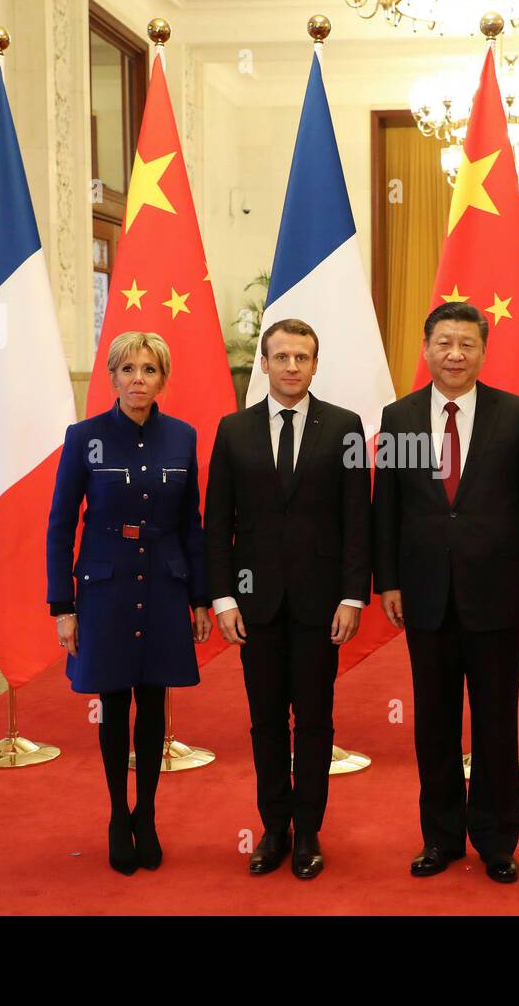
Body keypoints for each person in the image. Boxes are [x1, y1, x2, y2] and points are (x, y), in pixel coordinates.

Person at [373, 301, 519, 884]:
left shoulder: (516, 414)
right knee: (433, 723)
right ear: (426, 348)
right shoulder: (399, 418)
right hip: (424, 595)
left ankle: (498, 840)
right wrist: (389, 581)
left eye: (467, 344)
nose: (455, 354)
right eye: (445, 343)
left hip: (498, 593)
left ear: (483, 350)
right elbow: (388, 509)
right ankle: (441, 837)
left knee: (496, 721)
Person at [204, 318, 370, 880]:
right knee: (266, 719)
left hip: (323, 606)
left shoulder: (345, 428)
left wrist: (354, 596)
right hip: (255, 606)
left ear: (315, 364)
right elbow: (216, 524)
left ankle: (309, 830)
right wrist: (222, 598)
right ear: (266, 364)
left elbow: (357, 522)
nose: (292, 366)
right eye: (281, 357)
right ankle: (274, 827)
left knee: (316, 720)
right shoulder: (233, 430)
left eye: (302, 357)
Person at [46, 331, 211, 876]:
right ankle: (119, 814)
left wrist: (200, 598)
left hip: (163, 584)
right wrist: (62, 605)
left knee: (154, 699)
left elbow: (192, 523)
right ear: (112, 377)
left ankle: (148, 814)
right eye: (129, 370)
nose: (139, 380)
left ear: (163, 378)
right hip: (106, 586)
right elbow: (61, 523)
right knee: (114, 703)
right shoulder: (84, 437)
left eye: (150, 370)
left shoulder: (182, 437)